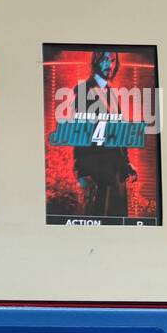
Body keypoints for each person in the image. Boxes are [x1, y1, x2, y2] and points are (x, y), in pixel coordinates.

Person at [71, 51, 136, 218]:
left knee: (118, 227)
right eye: (106, 59)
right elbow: (80, 132)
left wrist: (127, 163)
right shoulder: (84, 90)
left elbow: (118, 130)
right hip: (97, 173)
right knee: (99, 222)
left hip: (117, 173)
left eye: (113, 60)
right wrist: (81, 173)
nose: (110, 65)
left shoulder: (111, 93)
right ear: (96, 60)